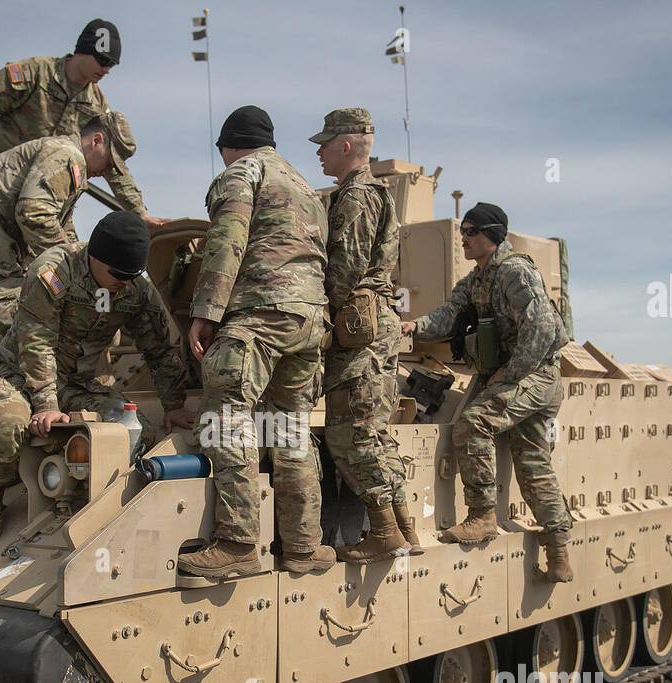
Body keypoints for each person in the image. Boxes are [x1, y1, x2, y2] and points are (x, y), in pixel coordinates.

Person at [177, 106, 336, 580]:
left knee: (225, 413)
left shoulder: (241, 173)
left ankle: (238, 543)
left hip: (262, 313)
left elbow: (227, 241)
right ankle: (304, 547)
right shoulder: (305, 186)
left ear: (228, 145)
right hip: (309, 320)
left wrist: (205, 313)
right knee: (288, 426)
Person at [0, 211, 193, 539]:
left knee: (136, 431)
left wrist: (173, 405)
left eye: (134, 274)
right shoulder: (54, 272)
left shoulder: (136, 290)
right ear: (94, 258)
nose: (126, 283)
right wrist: (45, 403)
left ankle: (88, 498)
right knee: (6, 425)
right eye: (119, 273)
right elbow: (36, 339)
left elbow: (159, 349)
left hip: (78, 384)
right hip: (21, 377)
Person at [401, 202, 574, 582]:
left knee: (473, 423)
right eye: (461, 232)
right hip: (516, 375)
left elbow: (545, 331)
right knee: (532, 463)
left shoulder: (514, 272)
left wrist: (506, 375)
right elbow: (449, 313)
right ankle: (559, 552)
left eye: (470, 232)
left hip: (536, 374)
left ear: (491, 235)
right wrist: (414, 327)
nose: (463, 239)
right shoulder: (477, 278)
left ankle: (482, 517)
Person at [311, 107, 419, 563]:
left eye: (324, 143)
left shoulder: (357, 196)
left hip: (358, 327)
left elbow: (344, 271)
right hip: (373, 325)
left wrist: (314, 319)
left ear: (347, 145)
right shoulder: (370, 193)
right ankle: (402, 527)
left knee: (348, 432)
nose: (318, 151)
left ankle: (384, 532)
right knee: (373, 434)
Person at [0, 112, 135, 354]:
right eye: (110, 161)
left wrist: (83, 263)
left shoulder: (67, 159)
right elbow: (34, 213)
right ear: (96, 141)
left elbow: (61, 224)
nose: (106, 171)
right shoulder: (66, 155)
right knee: (34, 333)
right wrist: (74, 269)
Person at [0, 18, 162, 226]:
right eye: (102, 60)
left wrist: (139, 212)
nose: (106, 69)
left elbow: (112, 161)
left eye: (111, 64)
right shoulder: (36, 73)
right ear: (83, 50)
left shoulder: (96, 106)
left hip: (41, 197)